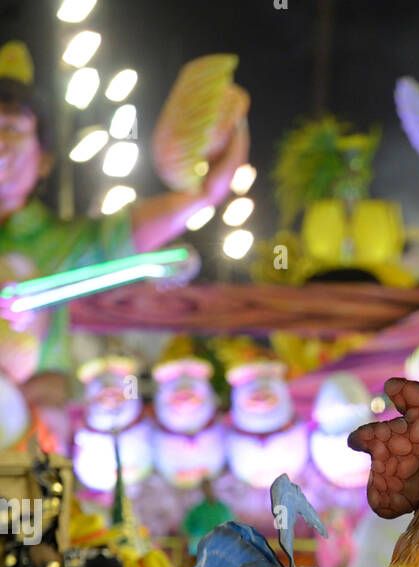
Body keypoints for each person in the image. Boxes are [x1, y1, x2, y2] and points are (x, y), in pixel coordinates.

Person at [0, 42, 248, 387]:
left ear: (44, 159)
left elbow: (197, 198)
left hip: (38, 413)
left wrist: (229, 125)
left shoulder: (71, 242)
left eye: (11, 128)